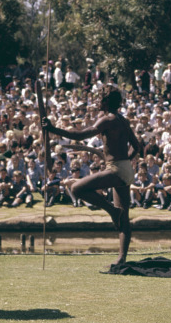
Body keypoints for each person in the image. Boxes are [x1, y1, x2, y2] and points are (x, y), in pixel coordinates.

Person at [43, 85, 142, 267]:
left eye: (99, 99)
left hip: (117, 169)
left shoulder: (107, 120)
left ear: (106, 102)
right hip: (125, 168)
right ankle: (121, 259)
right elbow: (137, 146)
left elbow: (81, 135)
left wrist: (53, 129)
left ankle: (112, 211)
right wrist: (125, 161)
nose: (97, 101)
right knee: (124, 219)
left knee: (76, 188)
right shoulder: (123, 120)